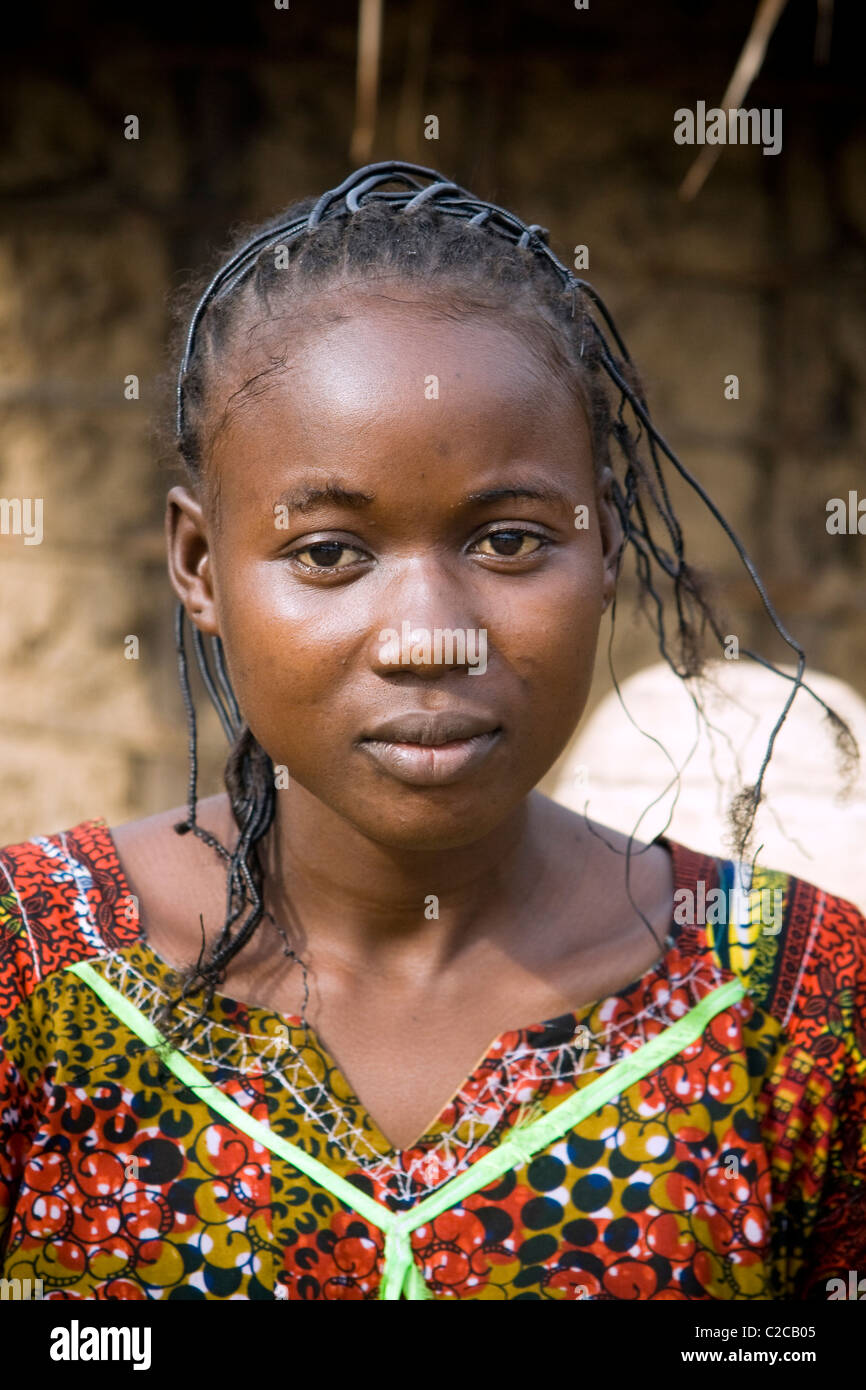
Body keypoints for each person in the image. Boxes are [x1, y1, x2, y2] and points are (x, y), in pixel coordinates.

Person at [1, 161, 864, 1302]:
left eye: (506, 541)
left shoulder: (800, 1024)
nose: (428, 638)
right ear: (199, 565)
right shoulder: (36, 984)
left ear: (603, 543)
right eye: (327, 553)